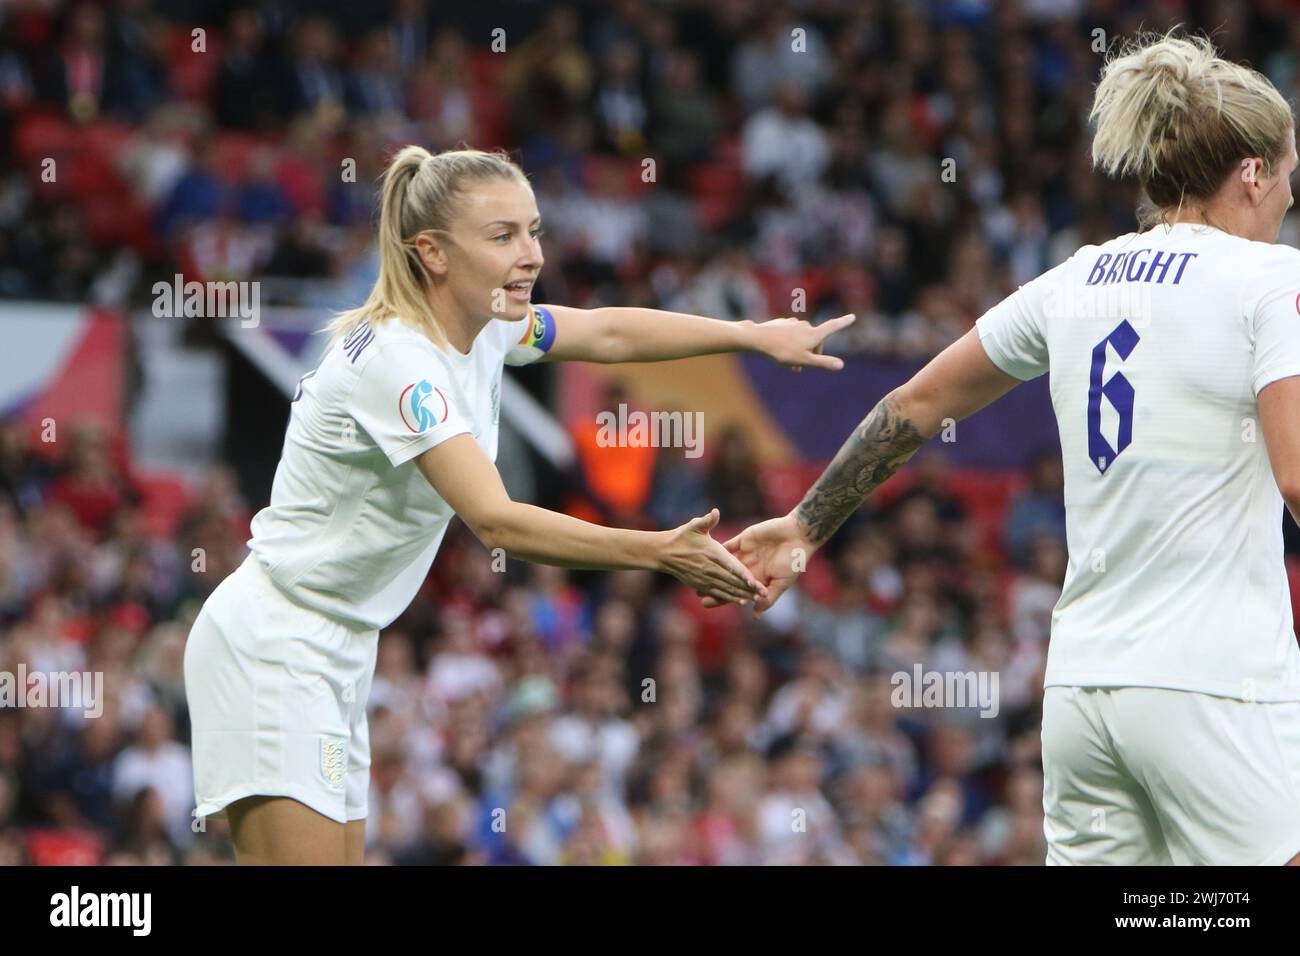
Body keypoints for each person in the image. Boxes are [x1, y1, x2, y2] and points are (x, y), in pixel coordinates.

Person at [714, 32, 1300, 865]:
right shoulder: (1272, 282)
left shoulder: (1076, 278)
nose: (1289, 197)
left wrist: (806, 525)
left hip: (1082, 695)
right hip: (1217, 686)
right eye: (1289, 174)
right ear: (1252, 172)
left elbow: (915, 403)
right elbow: (1295, 474)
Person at [183, 145, 853, 865]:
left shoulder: (490, 326)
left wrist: (750, 336)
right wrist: (658, 551)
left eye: (533, 231)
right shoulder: (400, 363)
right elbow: (496, 520)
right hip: (278, 645)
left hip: (341, 648)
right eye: (502, 236)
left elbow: (609, 332)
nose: (531, 254)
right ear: (433, 253)